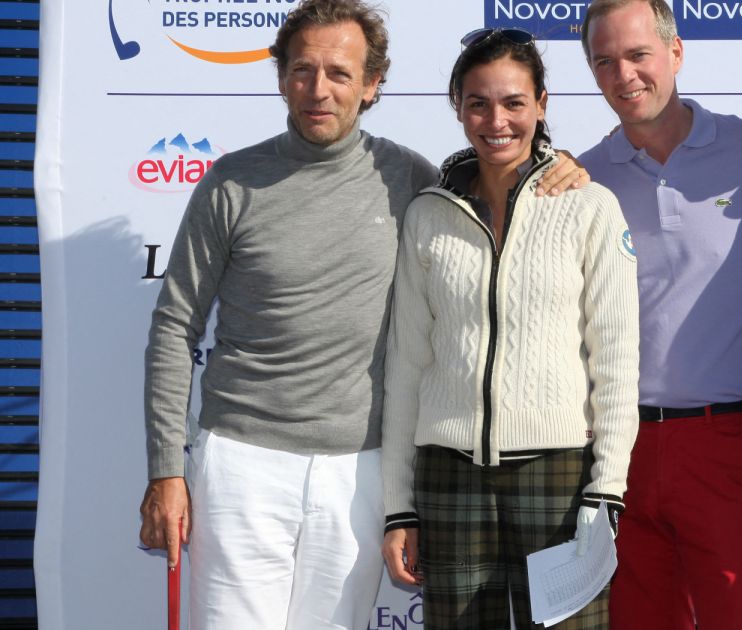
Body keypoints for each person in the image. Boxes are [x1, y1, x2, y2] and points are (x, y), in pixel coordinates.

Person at [136, 2, 586, 628]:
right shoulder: (230, 183)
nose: (318, 90)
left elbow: (504, 182)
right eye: (302, 70)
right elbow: (174, 327)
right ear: (281, 77)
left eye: (340, 73)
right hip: (240, 464)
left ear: (372, 85)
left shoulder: (412, 179)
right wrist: (166, 470)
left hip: (361, 472)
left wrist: (557, 162)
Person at [379, 27, 640, 629]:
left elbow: (617, 362)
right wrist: (399, 509)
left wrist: (606, 491)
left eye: (514, 102)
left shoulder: (589, 207)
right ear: (458, 107)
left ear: (541, 104)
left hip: (559, 476)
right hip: (450, 474)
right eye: (478, 102)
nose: (496, 120)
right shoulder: (428, 214)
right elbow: (407, 367)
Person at [576, 1, 742, 628]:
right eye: (605, 61)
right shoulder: (581, 178)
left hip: (725, 442)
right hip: (617, 448)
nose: (625, 75)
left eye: (638, 55)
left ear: (676, 52)